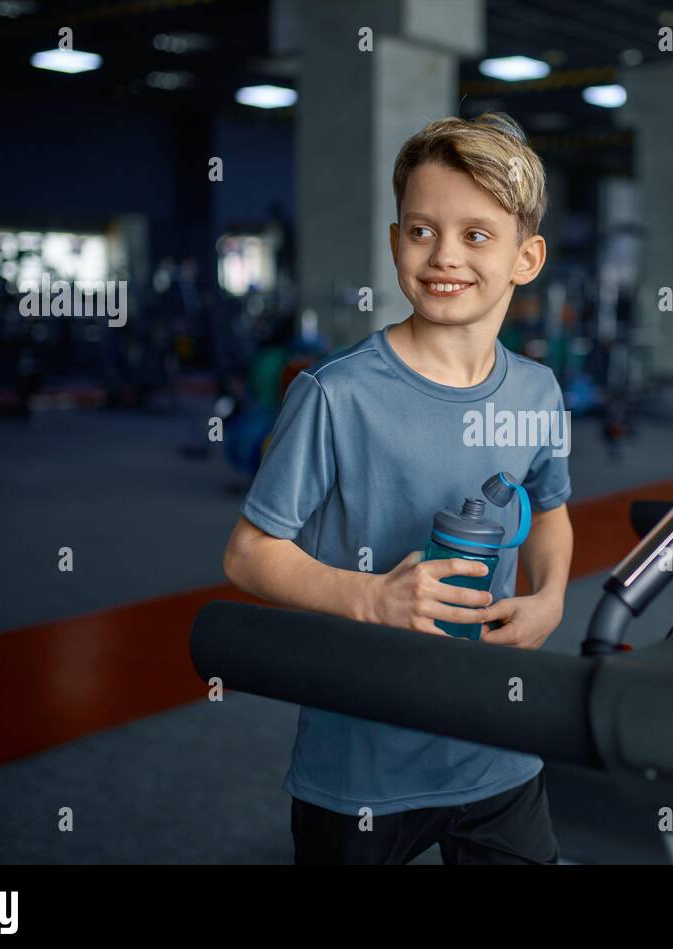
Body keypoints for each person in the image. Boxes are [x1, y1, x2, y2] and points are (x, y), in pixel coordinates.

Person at [221, 112, 573, 865]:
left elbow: (551, 512)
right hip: (360, 763)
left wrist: (550, 598)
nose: (444, 254)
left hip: (497, 748)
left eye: (476, 234)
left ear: (527, 257)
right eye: (421, 231)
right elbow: (249, 556)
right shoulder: (333, 394)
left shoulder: (539, 392)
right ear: (395, 242)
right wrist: (373, 598)